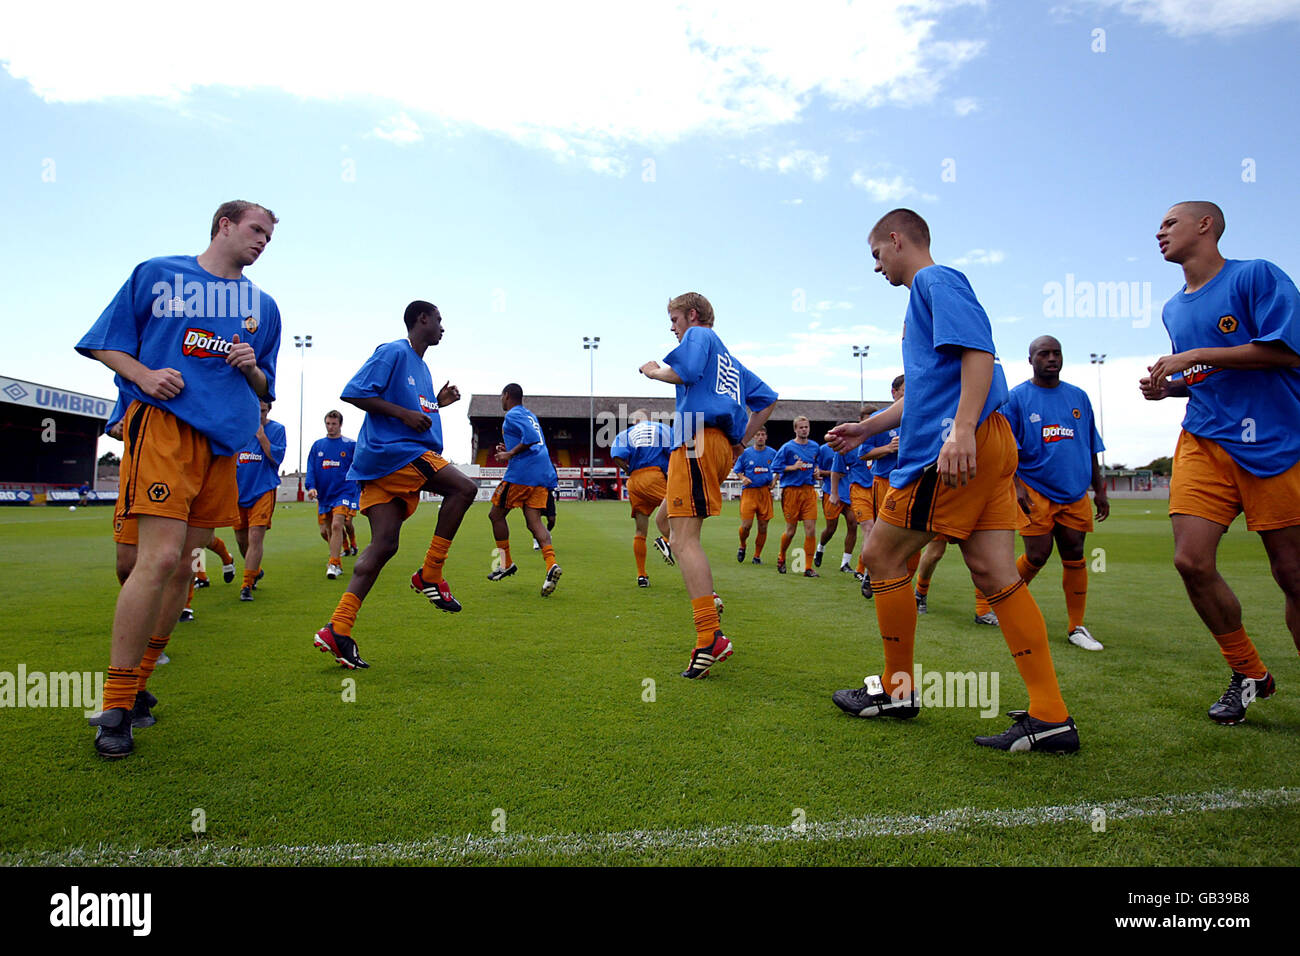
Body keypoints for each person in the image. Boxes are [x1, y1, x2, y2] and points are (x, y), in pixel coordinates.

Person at [826, 208, 1078, 753]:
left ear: (896, 240)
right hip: (986, 441)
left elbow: (979, 353)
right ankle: (1051, 714)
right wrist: (866, 427)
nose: (876, 267)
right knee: (992, 571)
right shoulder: (930, 294)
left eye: (875, 254)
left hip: (955, 448)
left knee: (880, 557)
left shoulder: (935, 281)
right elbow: (926, 390)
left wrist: (960, 430)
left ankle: (897, 691)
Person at [77, 199, 281, 758]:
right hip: (165, 429)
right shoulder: (158, 274)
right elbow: (105, 340)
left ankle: (138, 687)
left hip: (225, 443)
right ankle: (114, 706)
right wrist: (143, 374)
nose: (264, 241)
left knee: (184, 568)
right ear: (225, 225)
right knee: (158, 559)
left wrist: (251, 368)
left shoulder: (263, 306)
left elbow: (268, 389)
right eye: (256, 229)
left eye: (271, 235)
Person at [1141, 200, 1300, 724]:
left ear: (1205, 225)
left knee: (1292, 573)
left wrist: (1191, 357)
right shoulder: (1173, 307)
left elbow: (1287, 353)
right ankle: (1249, 672)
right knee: (1191, 561)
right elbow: (1209, 377)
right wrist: (1170, 388)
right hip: (1204, 440)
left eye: (1169, 222)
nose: (1159, 231)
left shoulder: (1256, 276)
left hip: (1276, 442)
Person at [313, 301, 477, 669]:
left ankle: (337, 629)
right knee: (463, 489)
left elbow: (417, 414)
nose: (442, 328)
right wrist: (404, 413)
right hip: (395, 454)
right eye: (439, 320)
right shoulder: (393, 351)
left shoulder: (422, 367)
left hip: (384, 463)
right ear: (422, 319)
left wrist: (437, 404)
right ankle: (430, 573)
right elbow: (353, 392)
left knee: (384, 545)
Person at [640, 292, 776, 678]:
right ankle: (707, 596)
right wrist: (740, 442)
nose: (673, 327)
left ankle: (709, 637)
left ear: (693, 315)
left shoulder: (698, 337)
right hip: (713, 445)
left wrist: (653, 371)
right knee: (664, 521)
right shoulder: (730, 361)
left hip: (697, 440)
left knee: (685, 539)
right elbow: (767, 401)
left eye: (675, 318)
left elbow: (685, 372)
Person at [1001, 335, 1109, 650]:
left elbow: (1091, 448)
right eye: (1044, 353)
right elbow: (1007, 450)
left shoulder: (1079, 397)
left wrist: (1099, 490)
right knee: (1037, 553)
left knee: (1074, 551)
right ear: (1030, 359)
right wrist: (1017, 486)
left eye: (1056, 353)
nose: (1052, 358)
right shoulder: (1016, 398)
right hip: (1034, 488)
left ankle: (1077, 627)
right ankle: (1003, 602)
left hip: (1074, 490)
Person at [486, 384, 563, 596]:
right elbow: (530, 439)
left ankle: (505, 563)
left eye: (501, 396)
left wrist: (509, 455)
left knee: (495, 515)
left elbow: (530, 439)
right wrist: (508, 449)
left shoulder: (512, 415)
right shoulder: (529, 415)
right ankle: (551, 565)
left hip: (523, 474)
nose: (500, 400)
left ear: (507, 396)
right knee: (534, 523)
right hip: (542, 473)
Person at [610, 408, 672, 587]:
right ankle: (666, 540)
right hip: (654, 476)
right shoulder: (661, 429)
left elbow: (616, 456)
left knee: (640, 530)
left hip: (634, 481)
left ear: (636, 420)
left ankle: (641, 575)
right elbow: (675, 451)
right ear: (651, 418)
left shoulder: (627, 433)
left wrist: (628, 470)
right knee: (680, 510)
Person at [231, 399, 286, 601]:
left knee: (255, 537)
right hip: (238, 491)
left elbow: (276, 458)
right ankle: (255, 570)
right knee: (241, 539)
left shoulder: (277, 429)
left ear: (268, 410)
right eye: (257, 411)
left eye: (263, 411)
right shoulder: (239, 428)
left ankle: (246, 585)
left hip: (263, 488)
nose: (260, 415)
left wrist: (262, 437)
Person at [306, 409, 361, 579]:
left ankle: (334, 563)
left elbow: (359, 466)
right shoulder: (318, 446)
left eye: (334, 424)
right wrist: (311, 487)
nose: (330, 427)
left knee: (339, 524)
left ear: (340, 425)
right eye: (328, 424)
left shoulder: (350, 445)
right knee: (327, 530)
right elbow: (311, 469)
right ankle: (339, 553)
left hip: (344, 491)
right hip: (325, 493)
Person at [827, 407, 875, 585]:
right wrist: (834, 493)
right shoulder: (849, 444)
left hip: (879, 489)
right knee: (867, 528)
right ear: (860, 421)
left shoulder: (882, 439)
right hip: (859, 490)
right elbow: (836, 470)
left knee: (878, 532)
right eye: (868, 420)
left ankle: (865, 568)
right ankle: (863, 572)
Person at [771, 416, 820, 577]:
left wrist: (817, 471)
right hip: (791, 492)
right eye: (801, 427)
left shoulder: (815, 447)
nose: (804, 429)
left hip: (809, 492)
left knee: (811, 530)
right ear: (795, 429)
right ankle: (781, 556)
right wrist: (793, 467)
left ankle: (808, 567)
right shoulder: (787, 448)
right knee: (790, 531)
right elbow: (775, 467)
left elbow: (817, 464)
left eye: (806, 427)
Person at [732, 425, 777, 564]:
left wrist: (775, 480)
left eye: (763, 434)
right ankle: (742, 545)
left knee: (763, 526)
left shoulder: (773, 453)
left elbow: (780, 468)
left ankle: (757, 556)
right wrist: (742, 478)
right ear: (753, 437)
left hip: (765, 493)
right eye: (758, 435)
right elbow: (737, 470)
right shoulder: (746, 453)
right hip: (749, 493)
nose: (760, 437)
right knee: (746, 526)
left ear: (766, 436)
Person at [814, 435, 858, 573]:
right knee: (831, 528)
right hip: (832, 492)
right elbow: (817, 470)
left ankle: (845, 563)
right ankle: (820, 548)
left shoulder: (854, 448)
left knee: (853, 524)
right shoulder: (824, 449)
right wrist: (835, 472)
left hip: (850, 492)